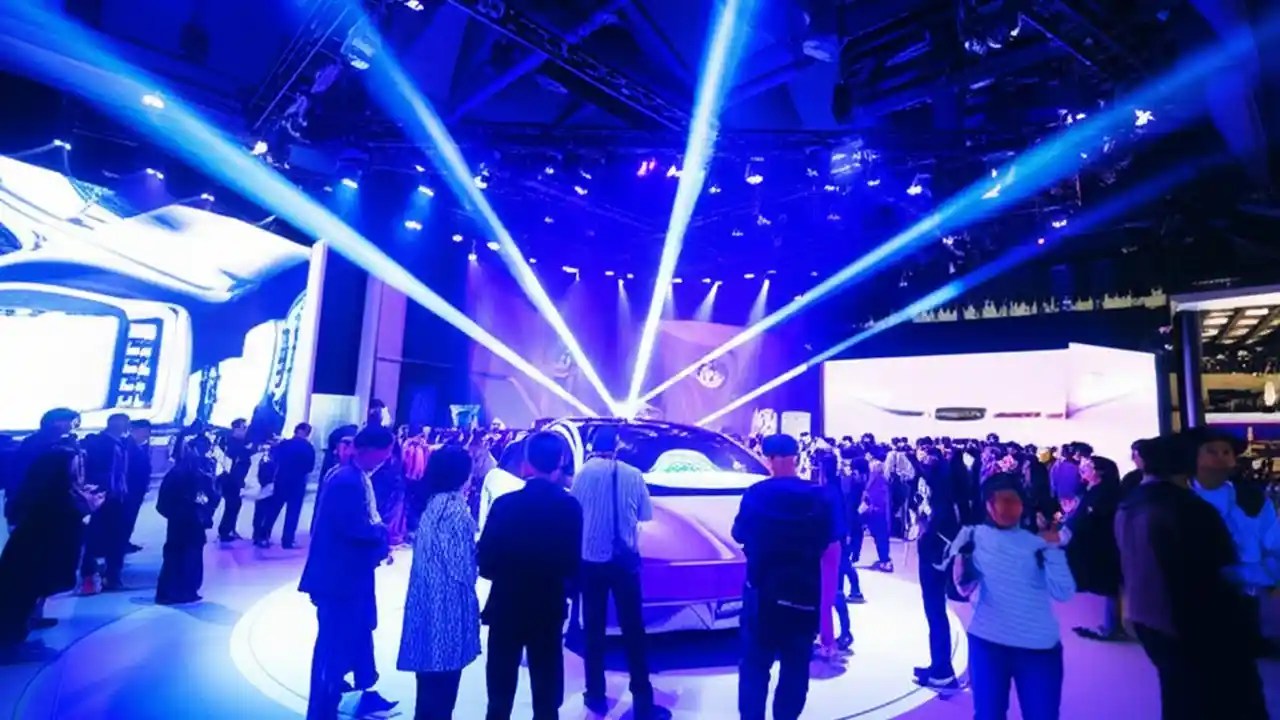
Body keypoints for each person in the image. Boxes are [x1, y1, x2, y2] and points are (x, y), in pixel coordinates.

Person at [1116, 432, 1266, 720]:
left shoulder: (1131, 502)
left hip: (1151, 620)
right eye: (1209, 453)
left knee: (1179, 698)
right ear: (1188, 464)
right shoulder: (1188, 508)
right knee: (1225, 702)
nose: (1222, 463)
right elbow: (1219, 569)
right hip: (1195, 624)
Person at [949, 472, 1075, 720]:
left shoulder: (1037, 542)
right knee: (990, 714)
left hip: (1032, 645)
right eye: (998, 502)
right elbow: (961, 590)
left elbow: (1063, 590)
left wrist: (1051, 547)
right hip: (991, 641)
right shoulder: (974, 539)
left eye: (1011, 502)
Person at [477, 431, 582, 720]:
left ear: (526, 463)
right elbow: (573, 565)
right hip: (548, 607)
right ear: (560, 462)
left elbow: (485, 562)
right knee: (546, 697)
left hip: (506, 605)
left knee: (499, 697)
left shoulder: (505, 505)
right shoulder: (569, 507)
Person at [299, 425, 398, 720]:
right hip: (339, 581)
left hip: (346, 578)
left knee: (354, 640)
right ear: (367, 449)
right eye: (383, 454)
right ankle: (321, 712)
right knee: (333, 648)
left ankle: (358, 696)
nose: (385, 460)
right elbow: (355, 528)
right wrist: (381, 535)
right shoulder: (347, 481)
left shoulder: (352, 476)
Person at [568, 426, 667, 719]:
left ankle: (596, 695)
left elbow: (574, 512)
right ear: (617, 446)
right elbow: (646, 516)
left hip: (590, 561)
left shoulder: (583, 474)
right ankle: (642, 701)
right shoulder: (633, 474)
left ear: (592, 446)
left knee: (594, 629)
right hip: (624, 562)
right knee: (633, 630)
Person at [733, 434, 833, 720]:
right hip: (805, 597)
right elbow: (832, 553)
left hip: (761, 596)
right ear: (797, 457)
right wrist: (827, 616)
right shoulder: (821, 495)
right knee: (795, 669)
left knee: (754, 668)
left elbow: (739, 533)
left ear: (768, 459)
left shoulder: (755, 494)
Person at [397, 445, 481, 720]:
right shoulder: (455, 510)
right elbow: (462, 569)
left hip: (426, 605)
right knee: (443, 689)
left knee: (428, 685)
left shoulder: (433, 503)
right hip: (446, 612)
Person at [0, 447, 101, 654]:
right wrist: (84, 509)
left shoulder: (51, 493)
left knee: (25, 599)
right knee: (20, 599)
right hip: (34, 557)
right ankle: (10, 646)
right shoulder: (49, 499)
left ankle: (16, 639)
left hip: (35, 556)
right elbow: (60, 523)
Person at [913, 443, 965, 693]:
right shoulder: (940, 491)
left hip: (935, 554)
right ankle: (938, 665)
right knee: (933, 612)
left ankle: (943, 671)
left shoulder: (943, 498)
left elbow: (935, 525)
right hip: (934, 551)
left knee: (935, 611)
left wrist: (924, 528)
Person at [1065, 455, 1125, 641]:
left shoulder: (1105, 492)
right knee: (1110, 586)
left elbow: (1092, 518)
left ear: (1100, 471)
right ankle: (1112, 626)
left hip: (1102, 545)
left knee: (1110, 585)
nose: (1083, 470)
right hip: (1094, 543)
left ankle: (1112, 627)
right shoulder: (1095, 489)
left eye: (1088, 466)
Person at [155, 434, 218, 605]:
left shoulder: (199, 472)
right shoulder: (181, 474)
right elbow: (163, 504)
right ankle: (178, 591)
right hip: (184, 523)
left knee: (186, 555)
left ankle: (184, 590)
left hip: (189, 523)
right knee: (181, 556)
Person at [79, 412, 131, 594]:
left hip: (118, 497)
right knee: (95, 537)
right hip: (101, 497)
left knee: (116, 537)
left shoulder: (121, 444)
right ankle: (92, 577)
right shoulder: (98, 444)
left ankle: (112, 576)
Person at [812, 450, 853, 660]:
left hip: (825, 545)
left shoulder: (825, 491)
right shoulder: (835, 488)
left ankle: (828, 641)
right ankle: (839, 635)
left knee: (827, 595)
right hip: (835, 543)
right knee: (832, 592)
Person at [260, 423, 316, 549]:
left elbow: (275, 459)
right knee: (293, 513)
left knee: (273, 510)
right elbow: (310, 467)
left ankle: (264, 536)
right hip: (298, 483)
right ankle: (287, 540)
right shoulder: (308, 448)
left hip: (282, 480)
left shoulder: (284, 444)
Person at [215, 419, 254, 542]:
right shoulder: (231, 444)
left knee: (235, 505)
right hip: (230, 480)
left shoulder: (240, 442)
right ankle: (225, 531)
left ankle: (230, 528)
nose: (245, 430)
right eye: (243, 428)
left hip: (237, 479)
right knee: (231, 505)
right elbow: (232, 462)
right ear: (236, 429)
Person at [122, 419, 153, 552]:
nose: (147, 434)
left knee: (131, 517)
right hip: (128, 488)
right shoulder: (127, 446)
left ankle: (124, 541)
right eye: (145, 431)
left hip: (137, 489)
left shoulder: (142, 446)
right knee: (125, 517)